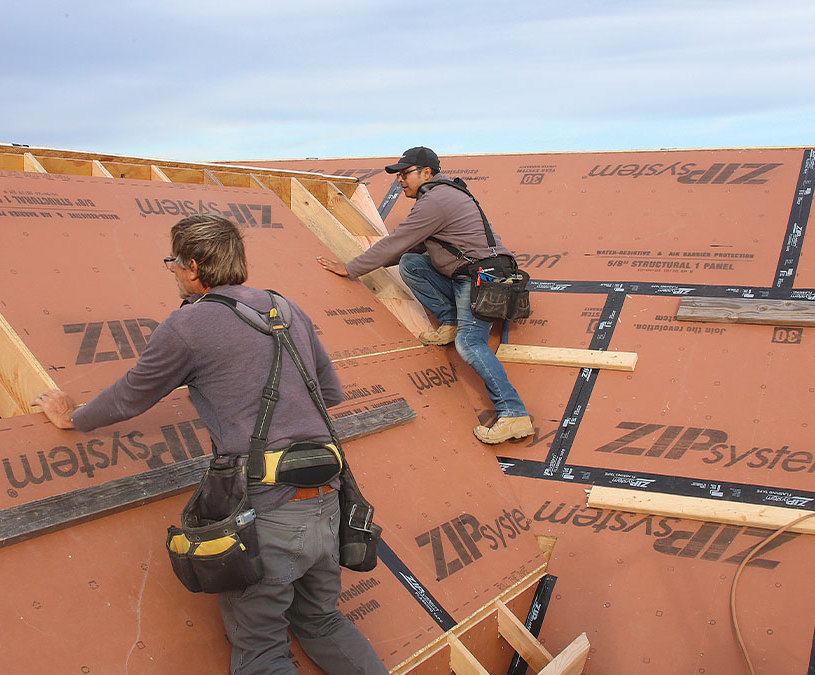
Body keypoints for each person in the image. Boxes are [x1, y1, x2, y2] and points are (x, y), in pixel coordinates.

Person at [34, 214, 386, 675]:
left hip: (271, 512)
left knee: (261, 652)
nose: (174, 273)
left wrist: (71, 419)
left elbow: (130, 396)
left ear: (194, 266)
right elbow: (331, 394)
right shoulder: (284, 307)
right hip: (328, 503)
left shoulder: (189, 326)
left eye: (173, 264)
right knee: (321, 620)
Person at [317, 146, 533, 445]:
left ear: (427, 172)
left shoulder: (436, 200)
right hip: (473, 275)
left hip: (484, 279)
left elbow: (398, 240)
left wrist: (351, 268)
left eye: (406, 174)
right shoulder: (445, 195)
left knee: (470, 344)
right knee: (412, 264)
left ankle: (513, 413)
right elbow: (410, 250)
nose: (400, 181)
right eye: (399, 175)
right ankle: (450, 320)